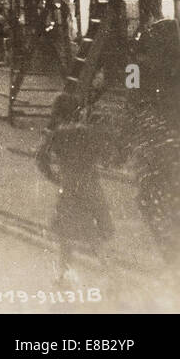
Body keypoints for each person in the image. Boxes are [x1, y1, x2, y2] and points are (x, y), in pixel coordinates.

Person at [36, 93, 110, 284]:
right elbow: (108, 155)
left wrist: (55, 177)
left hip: (70, 188)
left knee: (65, 234)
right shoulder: (89, 132)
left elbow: (41, 158)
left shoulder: (57, 134)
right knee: (95, 234)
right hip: (92, 185)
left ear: (57, 113)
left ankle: (64, 275)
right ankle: (110, 276)